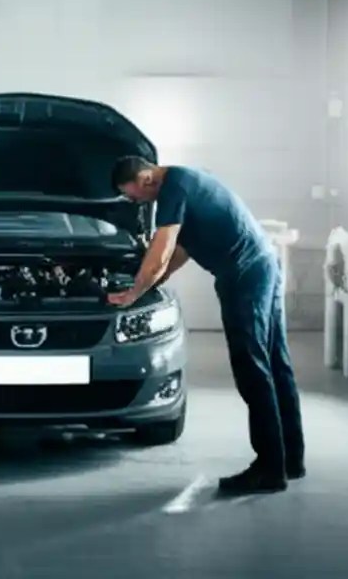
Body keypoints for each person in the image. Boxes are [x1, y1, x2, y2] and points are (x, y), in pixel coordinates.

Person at [108, 156, 304, 495]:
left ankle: (270, 469)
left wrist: (133, 293)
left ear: (145, 178)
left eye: (134, 196)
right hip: (263, 264)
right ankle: (290, 459)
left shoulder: (173, 187)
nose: (135, 203)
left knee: (252, 368)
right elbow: (181, 249)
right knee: (275, 363)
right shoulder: (186, 182)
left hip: (244, 275)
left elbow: (163, 245)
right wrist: (155, 283)